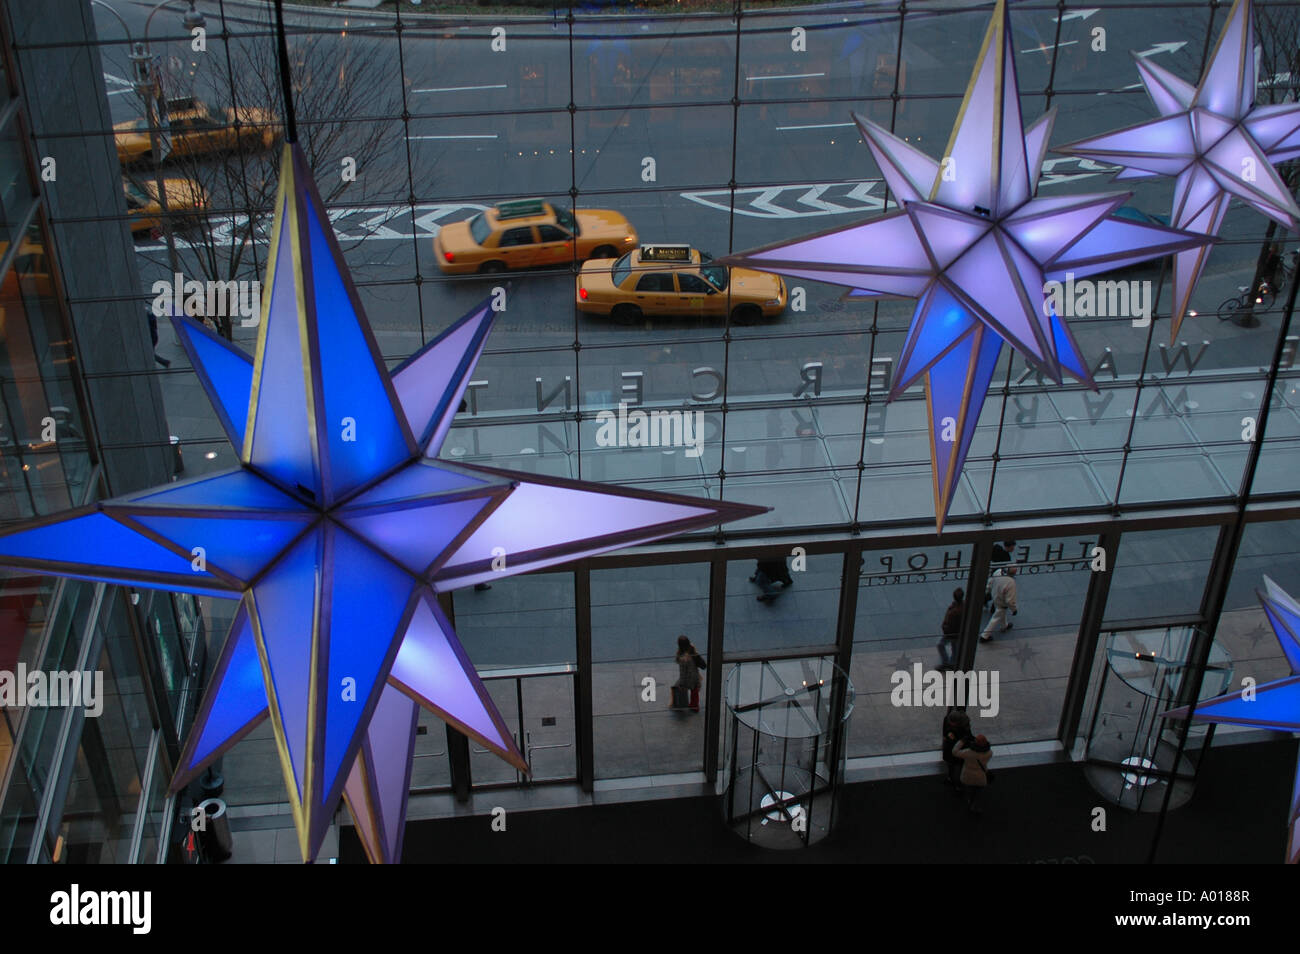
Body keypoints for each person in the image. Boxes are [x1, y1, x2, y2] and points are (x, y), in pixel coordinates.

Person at [953, 734, 993, 813]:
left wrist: (962, 741)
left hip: (967, 776)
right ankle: (975, 805)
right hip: (980, 777)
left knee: (969, 790)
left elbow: (955, 752)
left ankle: (970, 801)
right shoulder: (989, 753)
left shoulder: (968, 752)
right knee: (978, 792)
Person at [981, 566, 1017, 642]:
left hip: (995, 596)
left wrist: (987, 591)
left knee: (1001, 613)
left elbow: (990, 582)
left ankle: (1005, 625)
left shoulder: (998, 572)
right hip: (1002, 602)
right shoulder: (1011, 582)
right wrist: (1014, 609)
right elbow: (1010, 600)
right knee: (996, 617)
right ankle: (985, 636)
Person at [941, 707, 971, 790]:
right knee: (953, 766)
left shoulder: (963, 730)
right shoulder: (963, 727)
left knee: (956, 768)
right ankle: (953, 780)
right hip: (953, 751)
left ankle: (956, 783)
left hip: (955, 752)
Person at [672, 635, 703, 712]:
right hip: (696, 678)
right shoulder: (693, 651)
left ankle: (678, 703)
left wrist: (681, 684)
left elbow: (683, 673)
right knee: (694, 692)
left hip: (688, 680)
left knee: (676, 686)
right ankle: (695, 706)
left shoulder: (683, 658)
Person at [984, 540, 1015, 611]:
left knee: (994, 590)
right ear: (1009, 547)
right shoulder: (1006, 556)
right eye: (1012, 547)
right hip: (999, 576)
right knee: (998, 592)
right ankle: (992, 605)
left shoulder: (997, 549)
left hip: (994, 574)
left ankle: (985, 600)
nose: (1013, 549)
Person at [938, 587, 963, 669]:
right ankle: (953, 663)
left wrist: (944, 629)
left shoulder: (953, 611)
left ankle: (946, 662)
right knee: (955, 647)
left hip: (951, 633)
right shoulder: (963, 606)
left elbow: (949, 624)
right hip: (959, 632)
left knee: (940, 645)